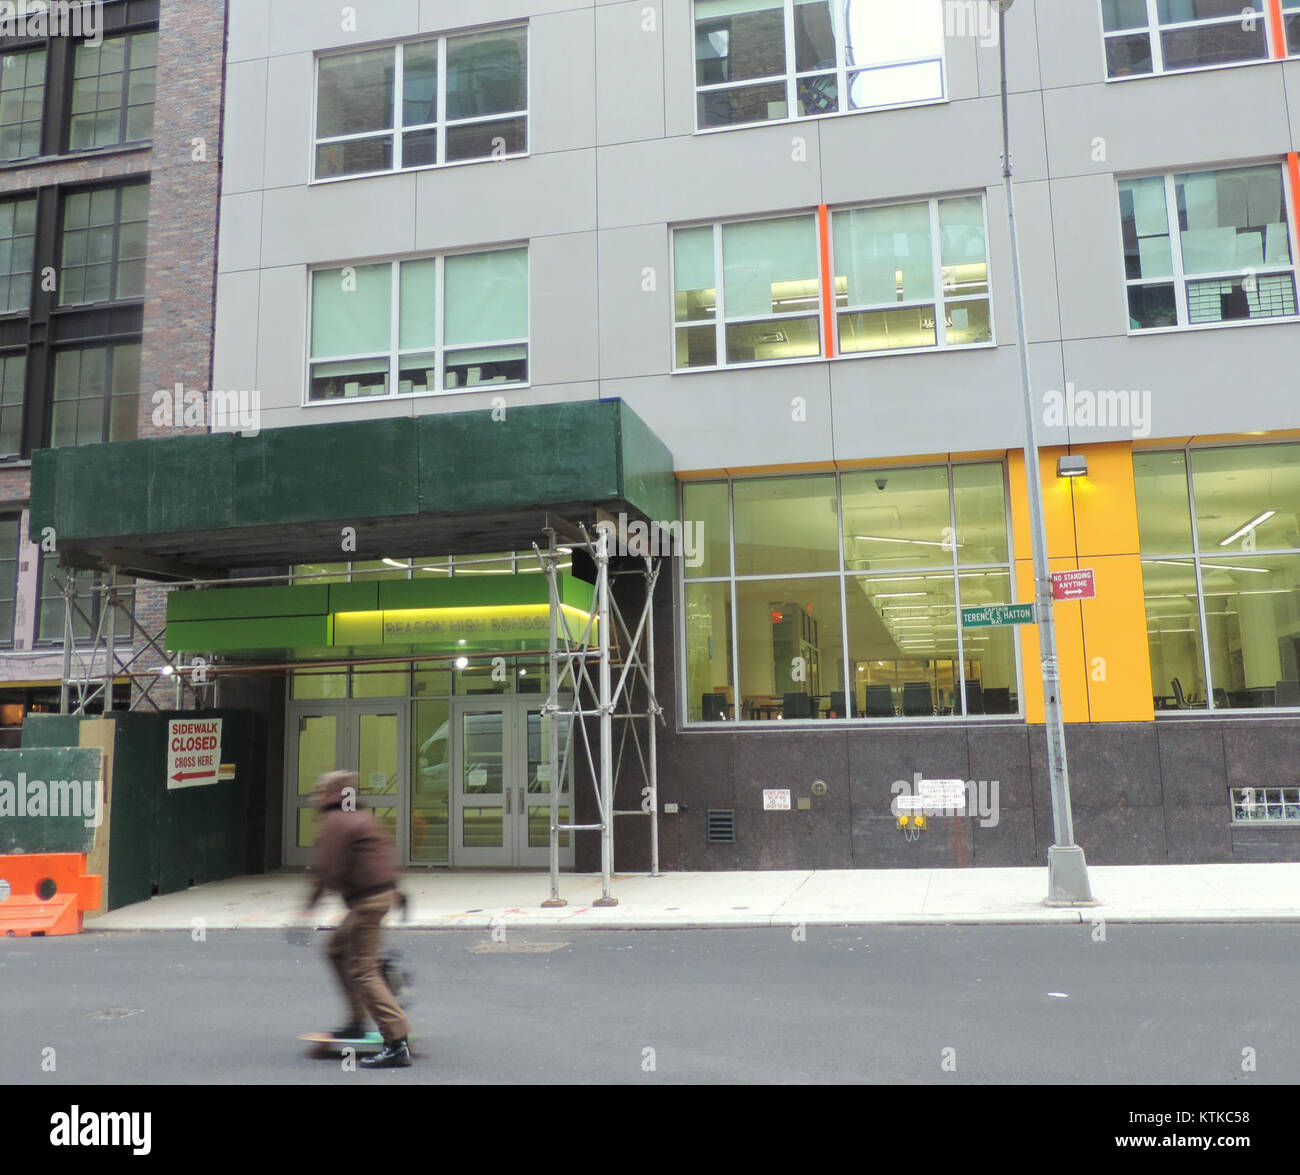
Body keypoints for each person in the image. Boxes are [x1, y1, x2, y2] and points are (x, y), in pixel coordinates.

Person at [302, 769, 412, 1068]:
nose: (315, 796)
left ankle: (396, 1042)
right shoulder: (362, 817)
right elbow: (385, 857)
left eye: (319, 789)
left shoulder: (336, 822)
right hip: (377, 897)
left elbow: (326, 870)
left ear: (330, 793)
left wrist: (307, 908)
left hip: (367, 903)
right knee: (336, 950)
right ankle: (356, 1020)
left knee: (363, 969)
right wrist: (398, 894)